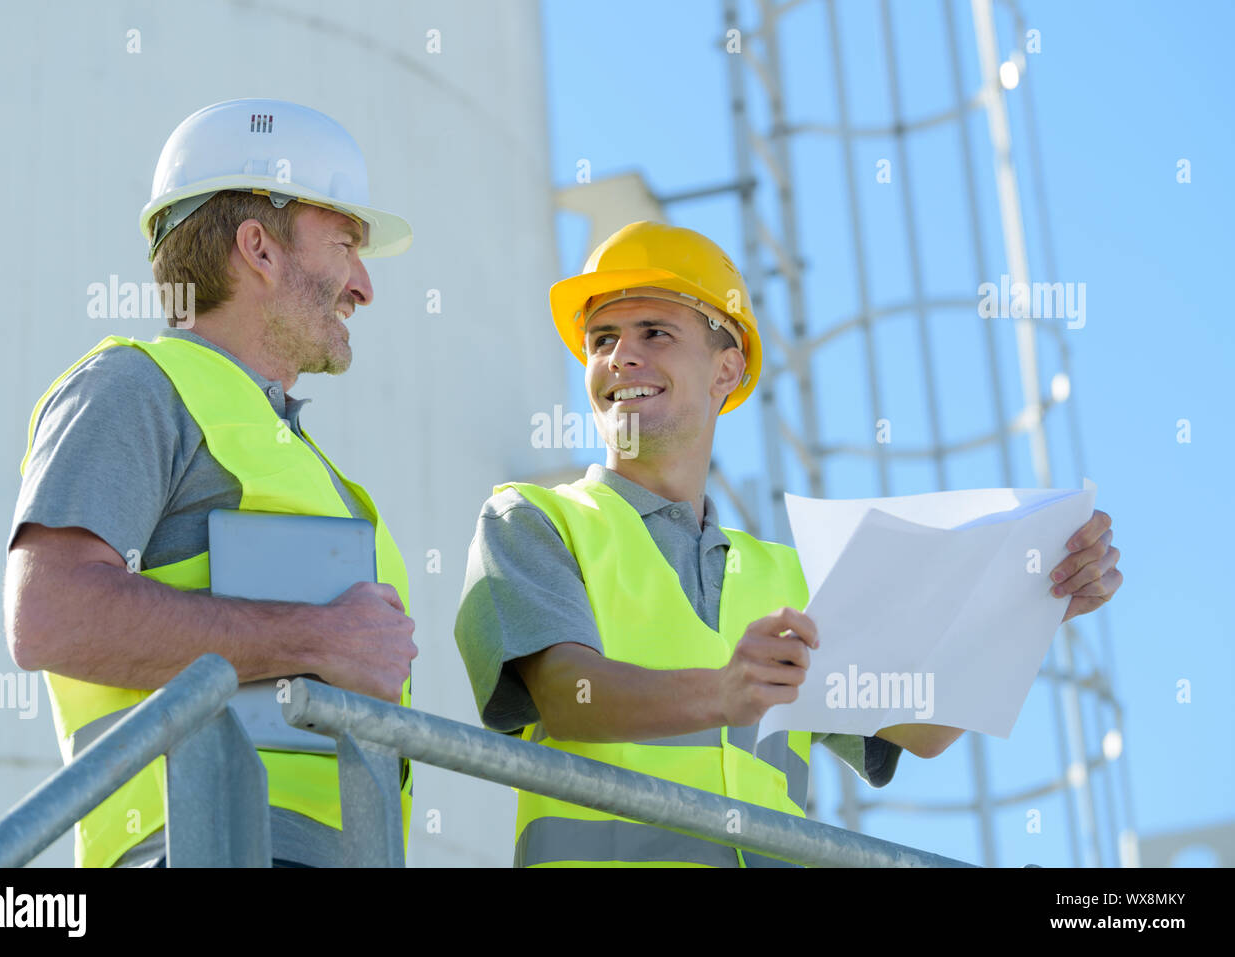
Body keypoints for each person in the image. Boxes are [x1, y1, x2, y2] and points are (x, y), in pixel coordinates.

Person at [454, 220, 1123, 867]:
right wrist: (723, 693)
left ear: (727, 368)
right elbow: (569, 693)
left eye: (654, 332)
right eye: (601, 339)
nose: (620, 356)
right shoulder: (531, 518)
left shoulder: (793, 577)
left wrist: (1038, 601)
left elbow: (922, 727)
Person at [4, 98, 418, 868]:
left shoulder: (312, 462)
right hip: (200, 843)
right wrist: (313, 638)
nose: (364, 285)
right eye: (345, 244)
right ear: (259, 248)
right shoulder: (134, 386)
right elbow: (48, 614)